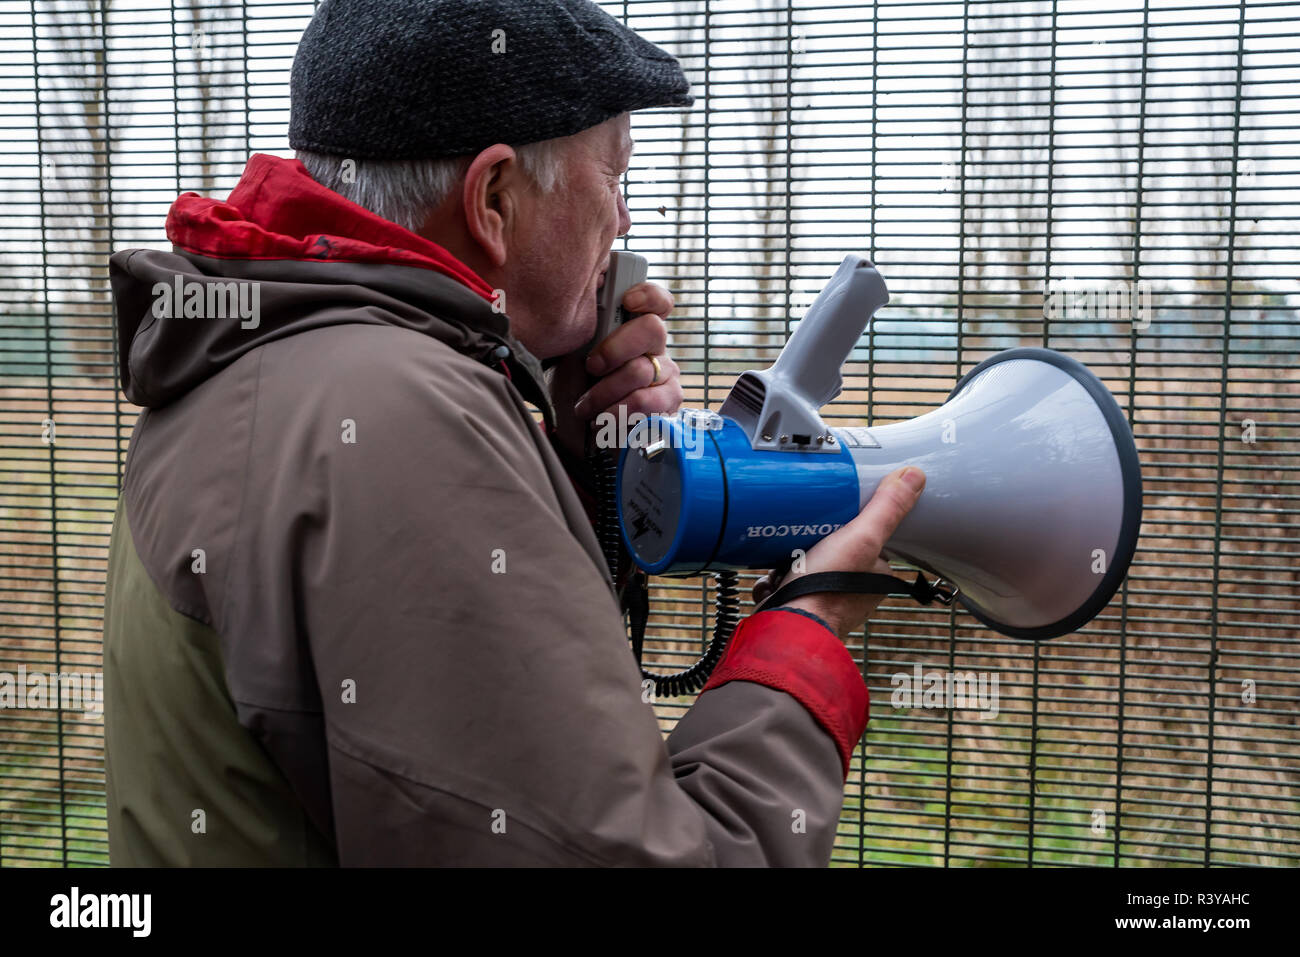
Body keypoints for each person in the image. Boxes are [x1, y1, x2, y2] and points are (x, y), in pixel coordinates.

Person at [102, 0, 925, 866]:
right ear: (494, 199)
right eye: (615, 178)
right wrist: (805, 631)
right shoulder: (405, 425)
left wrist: (563, 465)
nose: (626, 220)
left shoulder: (248, 351)